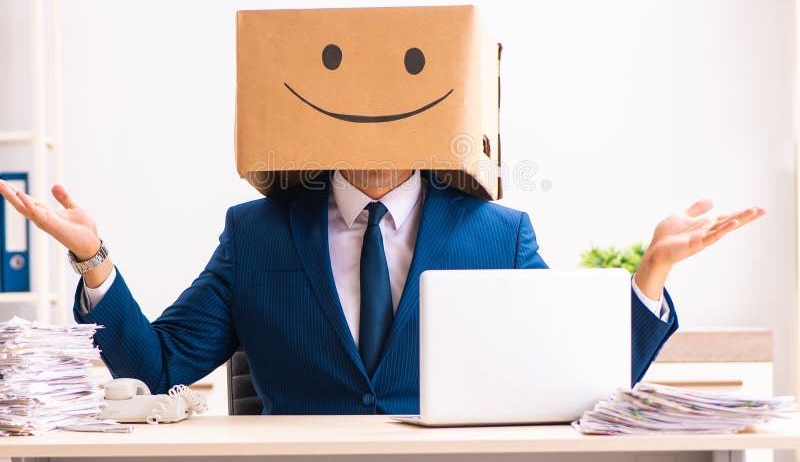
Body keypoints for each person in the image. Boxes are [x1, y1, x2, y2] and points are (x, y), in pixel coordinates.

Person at [0, 169, 764, 414]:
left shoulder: (498, 232)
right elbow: (161, 365)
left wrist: (651, 272)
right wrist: (94, 258)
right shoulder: (257, 232)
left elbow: (587, 379)